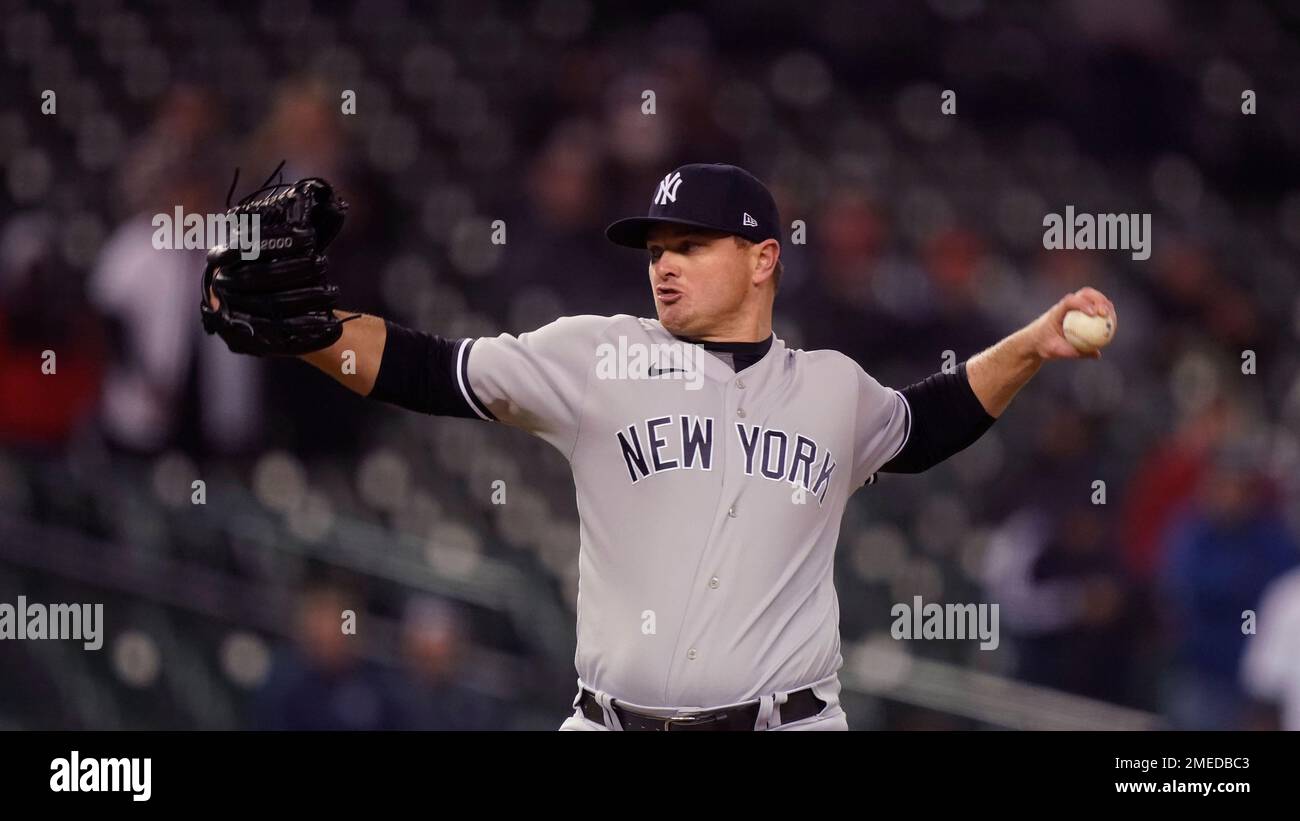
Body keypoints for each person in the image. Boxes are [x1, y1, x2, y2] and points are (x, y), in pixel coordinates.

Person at [211, 162, 1116, 730]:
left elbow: (929, 423)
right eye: (655, 247)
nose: (663, 264)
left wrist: (1034, 343)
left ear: (764, 258)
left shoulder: (833, 388)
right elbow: (425, 368)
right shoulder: (597, 354)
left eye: (691, 244)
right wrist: (307, 330)